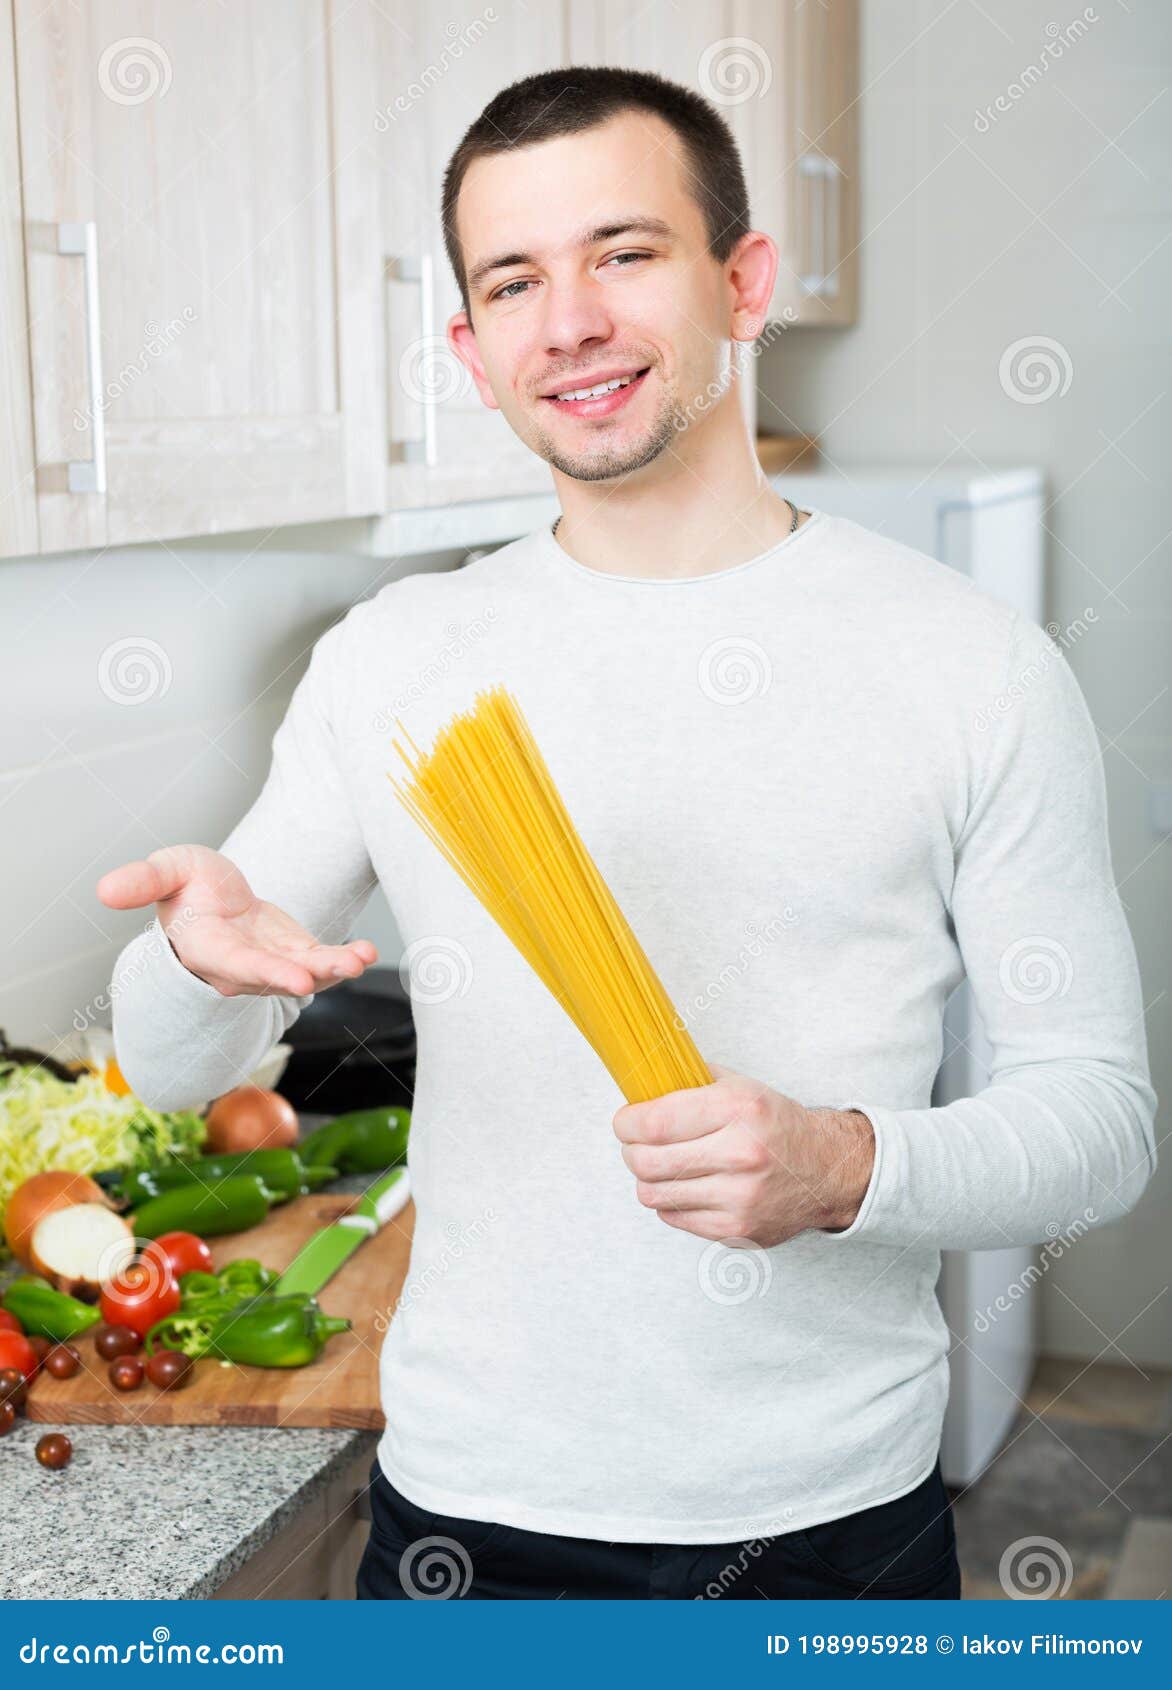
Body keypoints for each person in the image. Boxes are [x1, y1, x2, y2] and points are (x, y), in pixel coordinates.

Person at [100, 67, 1156, 1601]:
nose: (570, 319)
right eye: (514, 280)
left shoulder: (971, 663)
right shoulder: (399, 657)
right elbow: (176, 1068)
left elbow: (1102, 1124)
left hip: (832, 1525)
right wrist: (195, 967)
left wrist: (846, 1166)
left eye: (624, 253)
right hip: (467, 1512)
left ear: (744, 279)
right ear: (471, 349)